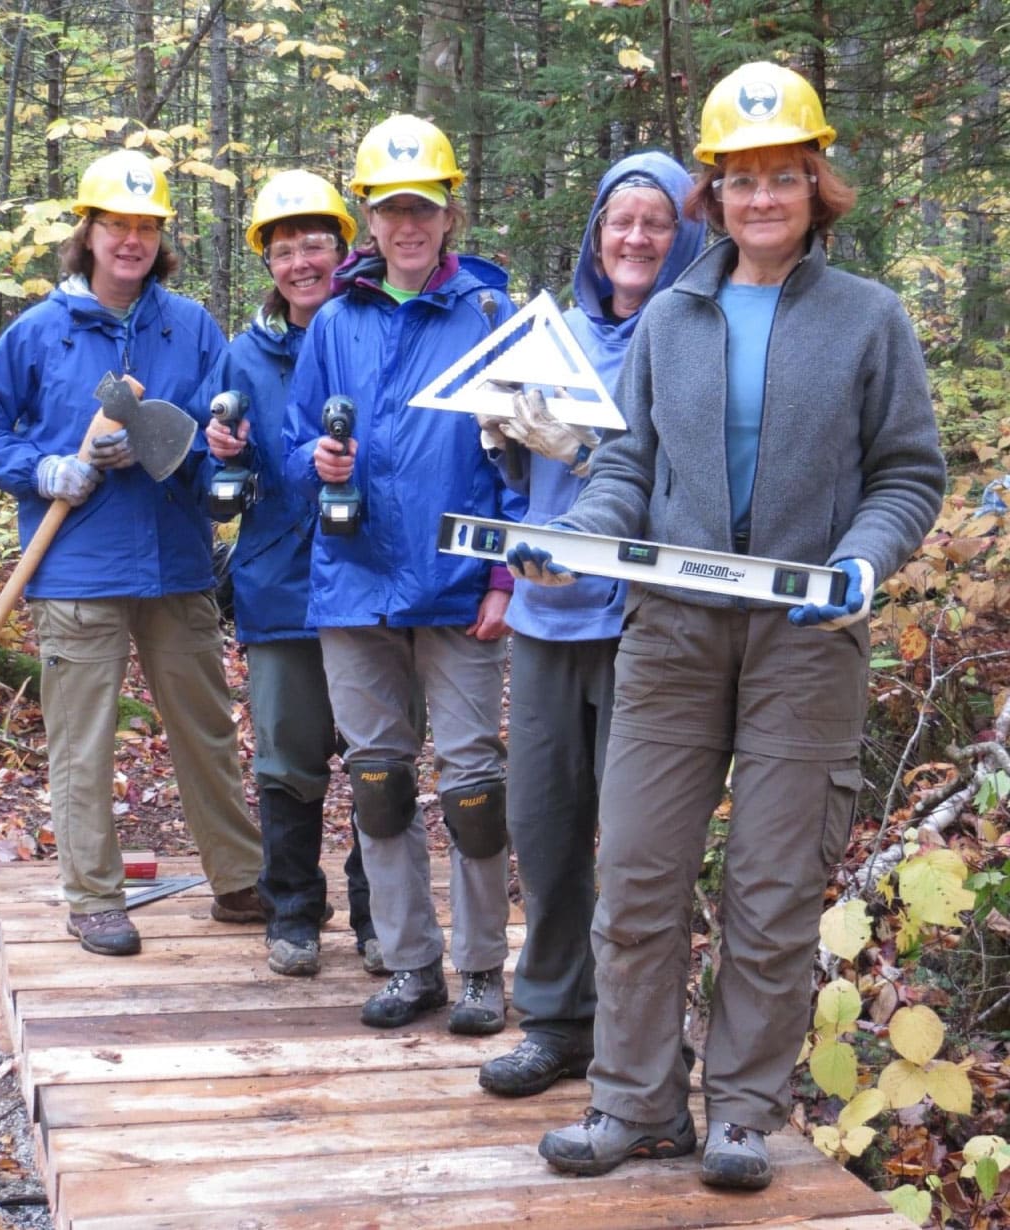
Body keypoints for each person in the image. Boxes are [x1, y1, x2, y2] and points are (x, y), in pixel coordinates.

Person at [520, 62, 945, 1188]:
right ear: (713, 191)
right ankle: (633, 1105)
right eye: (740, 180)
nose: (762, 199)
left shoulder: (870, 320)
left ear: (816, 183)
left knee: (768, 891)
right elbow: (626, 467)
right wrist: (577, 541)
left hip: (805, 644)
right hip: (672, 636)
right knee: (641, 874)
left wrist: (863, 559)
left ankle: (744, 1113)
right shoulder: (671, 314)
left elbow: (907, 475)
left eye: (783, 178)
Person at [0, 149, 264, 957]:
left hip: (178, 561)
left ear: (163, 238)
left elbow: (215, 443)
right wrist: (41, 466)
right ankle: (93, 896)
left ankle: (237, 879)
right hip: (77, 571)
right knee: (83, 742)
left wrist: (196, 450)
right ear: (86, 233)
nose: (131, 240)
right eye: (117, 225)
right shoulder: (39, 333)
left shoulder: (189, 326)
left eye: (146, 227)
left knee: (207, 731)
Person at [283, 114, 520, 1034]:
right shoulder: (335, 321)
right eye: (391, 210)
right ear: (368, 220)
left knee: (472, 787)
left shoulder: (493, 315)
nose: (408, 225)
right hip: (352, 581)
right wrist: (319, 463)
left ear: (449, 211)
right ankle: (412, 963)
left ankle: (483, 971)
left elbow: (524, 462)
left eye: (423, 207)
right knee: (378, 778)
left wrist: (503, 578)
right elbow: (296, 439)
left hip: (459, 584)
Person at [476, 152, 704, 1098]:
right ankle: (558, 1022)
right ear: (595, 235)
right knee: (545, 827)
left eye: (656, 221)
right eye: (621, 221)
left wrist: (582, 450)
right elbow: (507, 482)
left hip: (646, 625)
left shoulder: (696, 336)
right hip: (546, 618)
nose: (636, 238)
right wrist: (495, 436)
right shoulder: (552, 337)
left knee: (640, 847)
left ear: (684, 235)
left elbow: (687, 480)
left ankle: (641, 1036)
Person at [206, 170, 386, 978]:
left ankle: (380, 914)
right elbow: (224, 485)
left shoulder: (380, 328)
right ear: (268, 265)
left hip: (379, 575)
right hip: (280, 580)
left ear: (345, 247)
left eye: (315, 243)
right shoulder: (243, 353)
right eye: (283, 250)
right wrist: (226, 461)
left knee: (382, 754)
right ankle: (293, 913)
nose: (301, 261)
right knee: (286, 755)